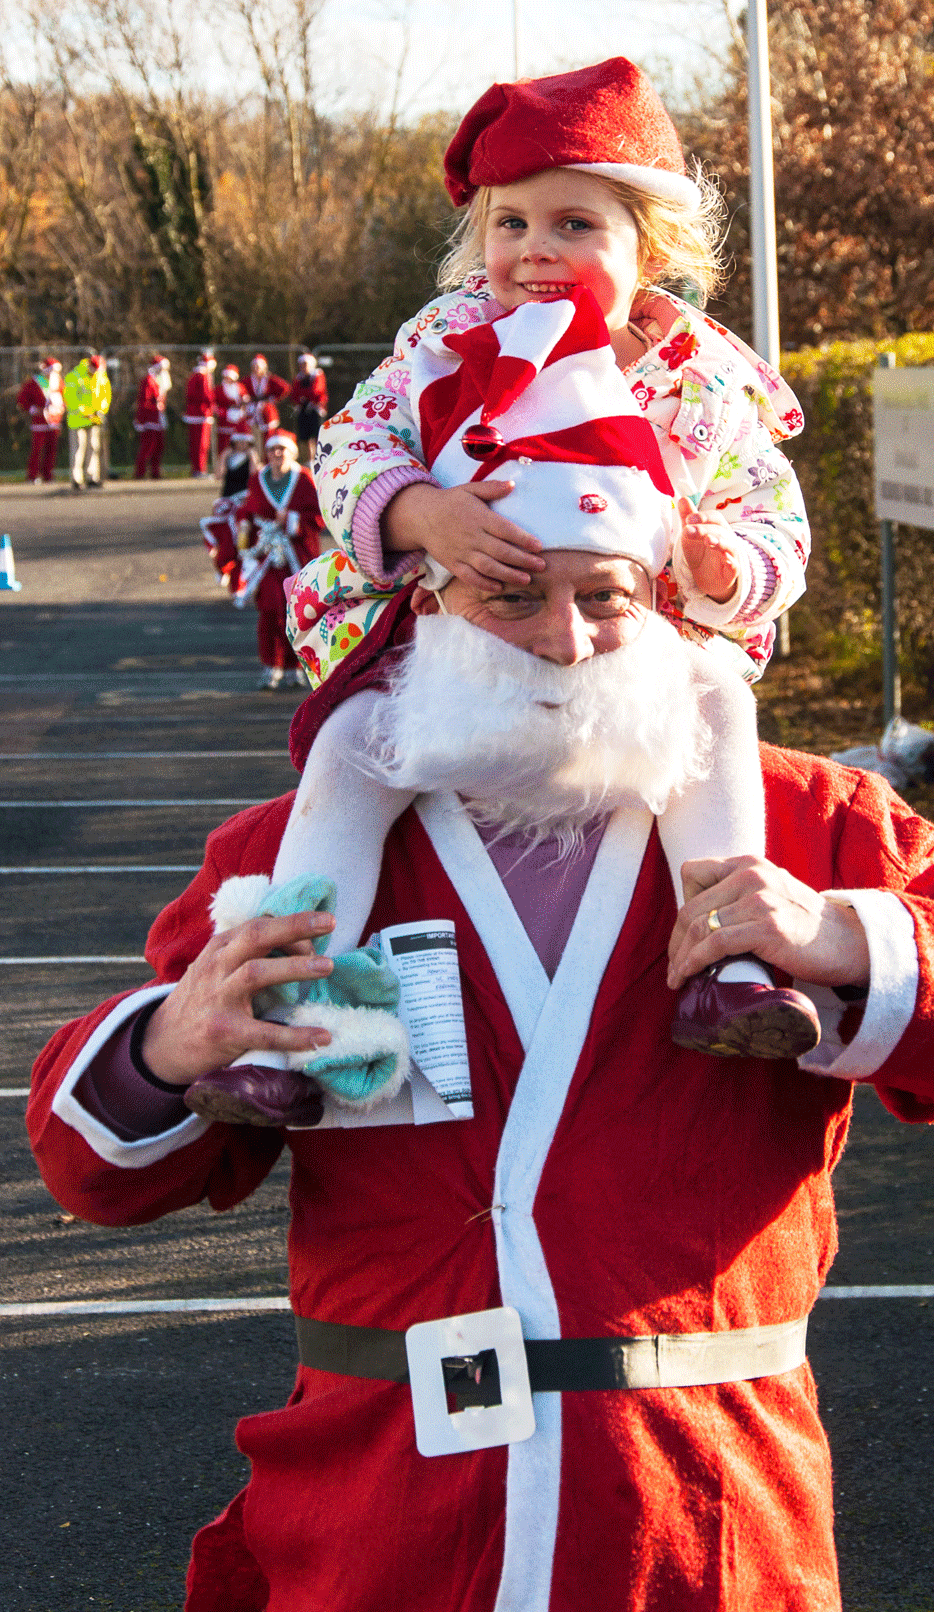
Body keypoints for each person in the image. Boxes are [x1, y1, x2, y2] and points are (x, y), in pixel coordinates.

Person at [27, 523, 934, 1609]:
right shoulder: (290, 850)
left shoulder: (798, 821)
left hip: (705, 1525)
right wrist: (167, 1045)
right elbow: (86, 1170)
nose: (567, 639)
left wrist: (841, 936)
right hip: (376, 1528)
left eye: (605, 596)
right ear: (424, 608)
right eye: (510, 598)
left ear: (664, 604)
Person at [285, 57, 815, 1058]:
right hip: (454, 650)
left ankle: (732, 965)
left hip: (636, 663)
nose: (536, 249)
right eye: (510, 222)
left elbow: (776, 516)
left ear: (648, 244)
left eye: (576, 223)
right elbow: (349, 451)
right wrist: (422, 513)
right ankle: (296, 993)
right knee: (349, 745)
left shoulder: (699, 384)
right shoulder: (443, 344)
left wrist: (728, 572)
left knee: (719, 708)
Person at [233, 427, 324, 690]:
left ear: (291, 452)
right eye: (273, 449)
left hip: (298, 556)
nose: (276, 454)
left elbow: (319, 518)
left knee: (299, 612)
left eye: (282, 449)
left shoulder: (304, 480)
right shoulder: (257, 480)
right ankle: (271, 665)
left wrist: (293, 519)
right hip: (269, 558)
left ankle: (297, 667)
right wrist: (244, 527)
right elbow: (248, 511)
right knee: (270, 611)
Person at [200, 427, 257, 592]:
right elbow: (218, 475)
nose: (241, 444)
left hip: (244, 502)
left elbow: (255, 476)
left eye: (244, 441)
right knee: (224, 538)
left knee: (243, 539)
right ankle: (222, 566)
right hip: (227, 502)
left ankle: (241, 576)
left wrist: (252, 456)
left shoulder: (251, 457)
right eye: (238, 440)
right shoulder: (228, 456)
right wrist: (224, 456)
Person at [64, 348, 111, 490]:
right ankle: (76, 479)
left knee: (94, 448)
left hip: (94, 419)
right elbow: (70, 398)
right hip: (78, 420)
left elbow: (106, 396)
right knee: (78, 449)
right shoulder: (75, 376)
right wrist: (85, 412)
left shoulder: (101, 377)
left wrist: (101, 410)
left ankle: (92, 477)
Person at [17, 356, 64, 482]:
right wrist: (32, 409)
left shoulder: (58, 381)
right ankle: (32, 476)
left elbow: (63, 397)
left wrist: (62, 407)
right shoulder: (36, 381)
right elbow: (22, 398)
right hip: (39, 421)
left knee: (51, 450)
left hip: (54, 420)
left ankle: (48, 476)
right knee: (37, 450)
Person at [133, 353, 171, 479]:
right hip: (150, 418)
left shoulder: (160, 380)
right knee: (148, 446)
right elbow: (145, 401)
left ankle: (155, 471)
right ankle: (140, 472)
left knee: (159, 446)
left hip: (158, 417)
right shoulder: (148, 381)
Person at [244, 353, 289, 457]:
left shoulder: (269, 378)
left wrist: (273, 398)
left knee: (269, 438)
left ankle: (269, 459)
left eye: (258, 367)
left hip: (267, 412)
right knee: (253, 438)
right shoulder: (248, 380)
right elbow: (241, 390)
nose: (256, 369)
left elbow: (285, 388)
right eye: (254, 367)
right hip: (253, 412)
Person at [288, 350, 328, 466]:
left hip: (315, 410)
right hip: (302, 410)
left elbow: (316, 391)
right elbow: (294, 394)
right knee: (305, 437)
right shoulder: (298, 378)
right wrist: (304, 397)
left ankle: (319, 458)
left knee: (317, 436)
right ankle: (308, 460)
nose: (303, 367)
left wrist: (304, 396)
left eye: (305, 364)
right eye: (301, 365)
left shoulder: (318, 375)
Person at [184, 348, 217, 477]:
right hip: (201, 414)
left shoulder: (194, 376)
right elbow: (206, 395)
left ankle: (197, 469)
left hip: (194, 414)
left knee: (196, 444)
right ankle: (200, 469)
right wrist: (214, 404)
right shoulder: (203, 376)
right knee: (201, 445)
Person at [215, 364, 251, 473]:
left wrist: (244, 406)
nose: (228, 380)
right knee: (224, 445)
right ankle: (223, 468)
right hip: (225, 420)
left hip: (239, 420)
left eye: (230, 377)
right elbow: (215, 405)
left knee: (240, 443)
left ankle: (241, 467)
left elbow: (246, 401)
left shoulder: (240, 387)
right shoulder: (219, 389)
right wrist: (224, 413)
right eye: (226, 377)